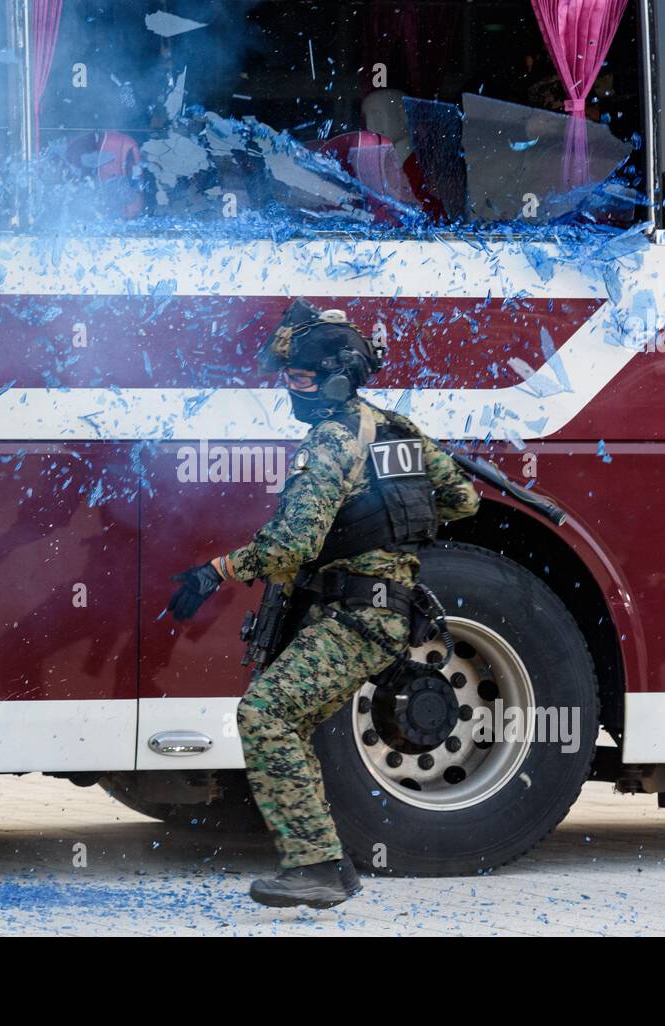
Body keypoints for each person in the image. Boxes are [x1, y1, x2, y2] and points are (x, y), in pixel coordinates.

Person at [166, 299, 481, 908]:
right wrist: (386, 524)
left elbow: (290, 545)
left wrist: (216, 571)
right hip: (385, 611)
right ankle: (323, 865)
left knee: (266, 716)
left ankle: (317, 866)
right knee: (288, 719)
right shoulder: (395, 430)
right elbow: (463, 499)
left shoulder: (333, 442)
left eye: (302, 378)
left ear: (336, 378)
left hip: (357, 618)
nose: (292, 388)